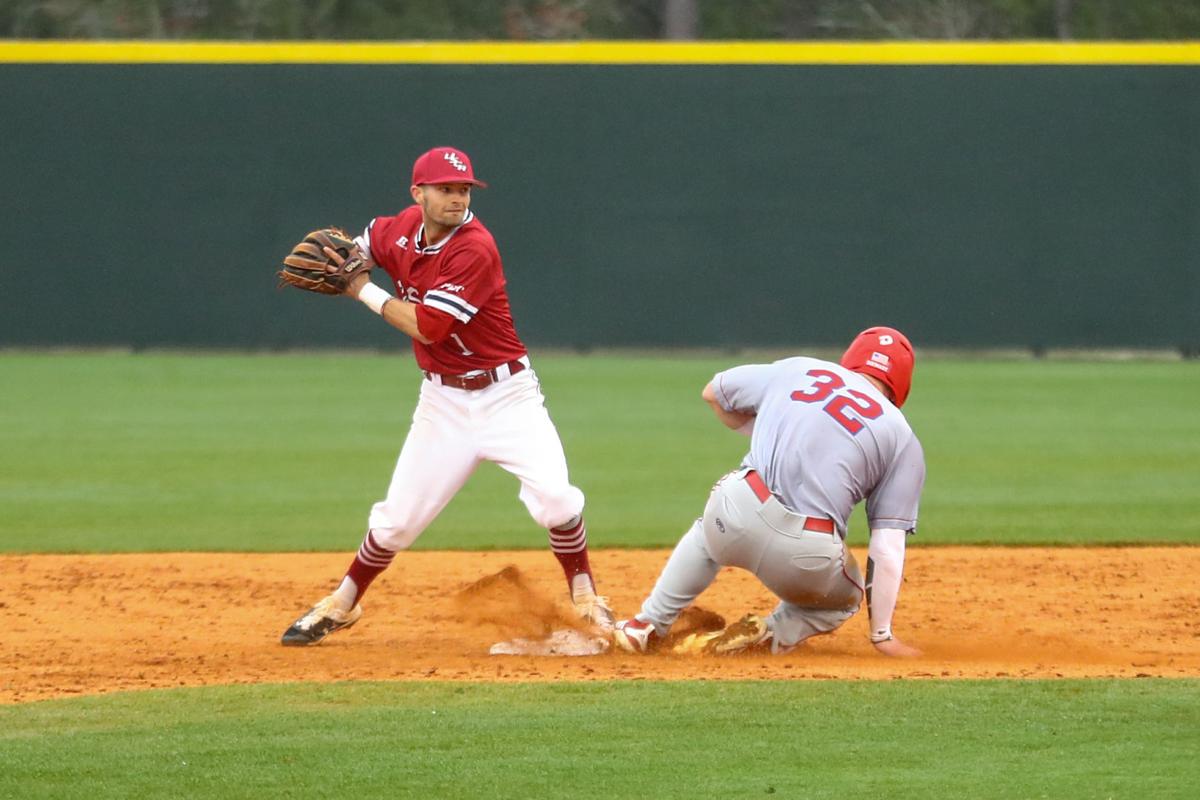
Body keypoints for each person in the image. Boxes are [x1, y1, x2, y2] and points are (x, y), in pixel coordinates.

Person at [281, 146, 612, 645]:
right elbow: (359, 249)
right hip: (443, 404)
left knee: (556, 498)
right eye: (446, 189)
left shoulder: (474, 248)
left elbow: (429, 327)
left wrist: (359, 288)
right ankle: (341, 604)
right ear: (418, 193)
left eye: (464, 189)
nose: (458, 198)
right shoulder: (395, 229)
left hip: (507, 397)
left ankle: (586, 598)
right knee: (396, 522)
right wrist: (348, 261)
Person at [612, 326, 925, 657]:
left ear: (849, 359)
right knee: (843, 600)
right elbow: (887, 545)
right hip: (805, 556)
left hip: (737, 509)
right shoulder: (902, 438)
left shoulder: (802, 368)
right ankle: (764, 636)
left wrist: (769, 431)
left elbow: (714, 393)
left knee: (706, 535)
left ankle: (646, 624)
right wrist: (881, 635)